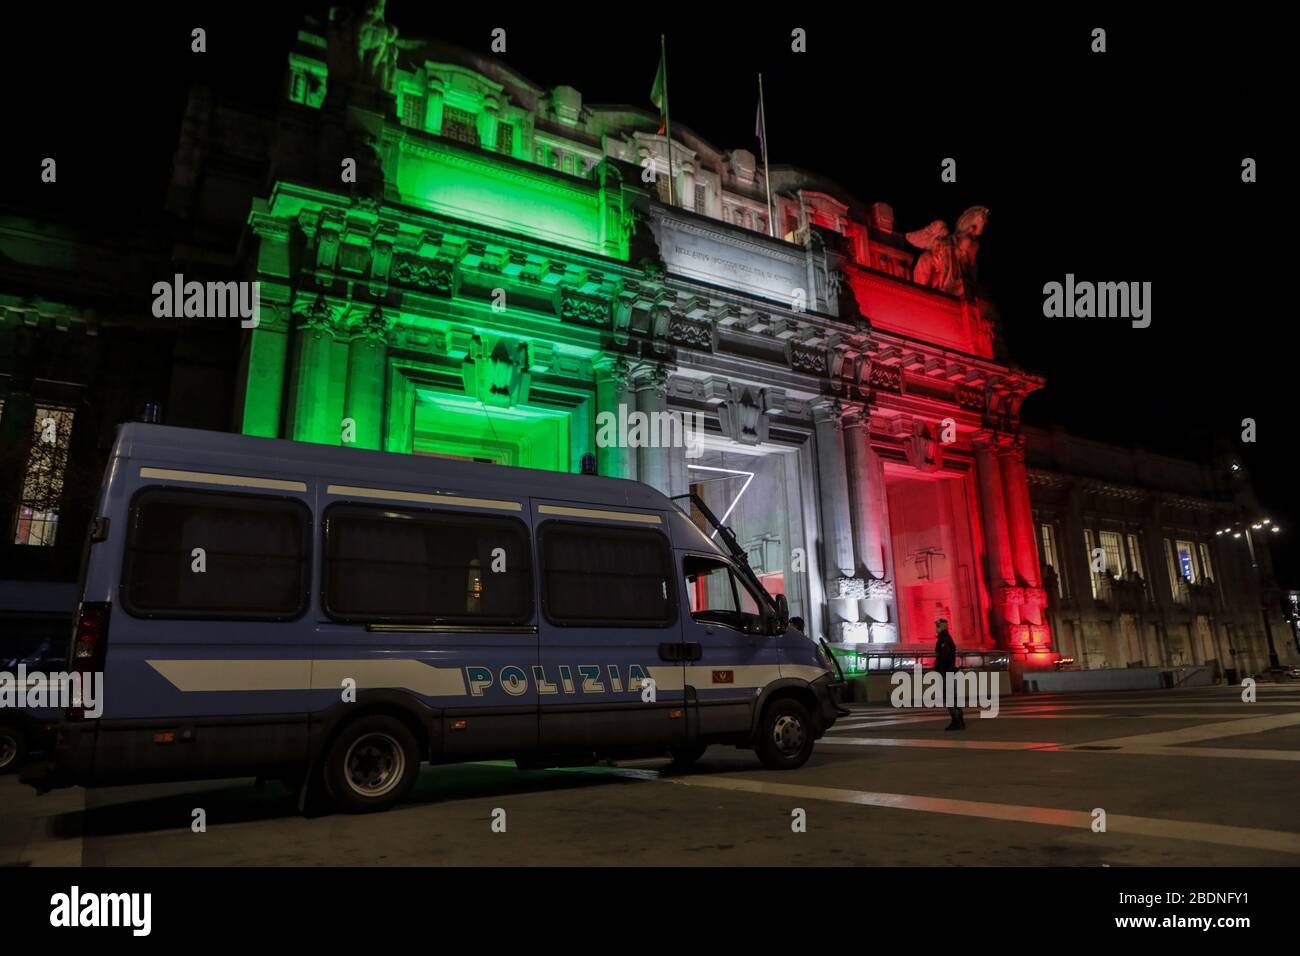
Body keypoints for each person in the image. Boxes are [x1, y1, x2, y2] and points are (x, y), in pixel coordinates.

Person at [934, 618, 965, 730]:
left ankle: (956, 720)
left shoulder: (944, 640)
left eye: (937, 626)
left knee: (949, 696)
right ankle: (959, 718)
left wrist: (939, 667)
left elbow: (943, 656)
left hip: (946, 671)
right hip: (949, 670)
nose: (936, 628)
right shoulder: (947, 639)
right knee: (953, 695)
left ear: (941, 627)